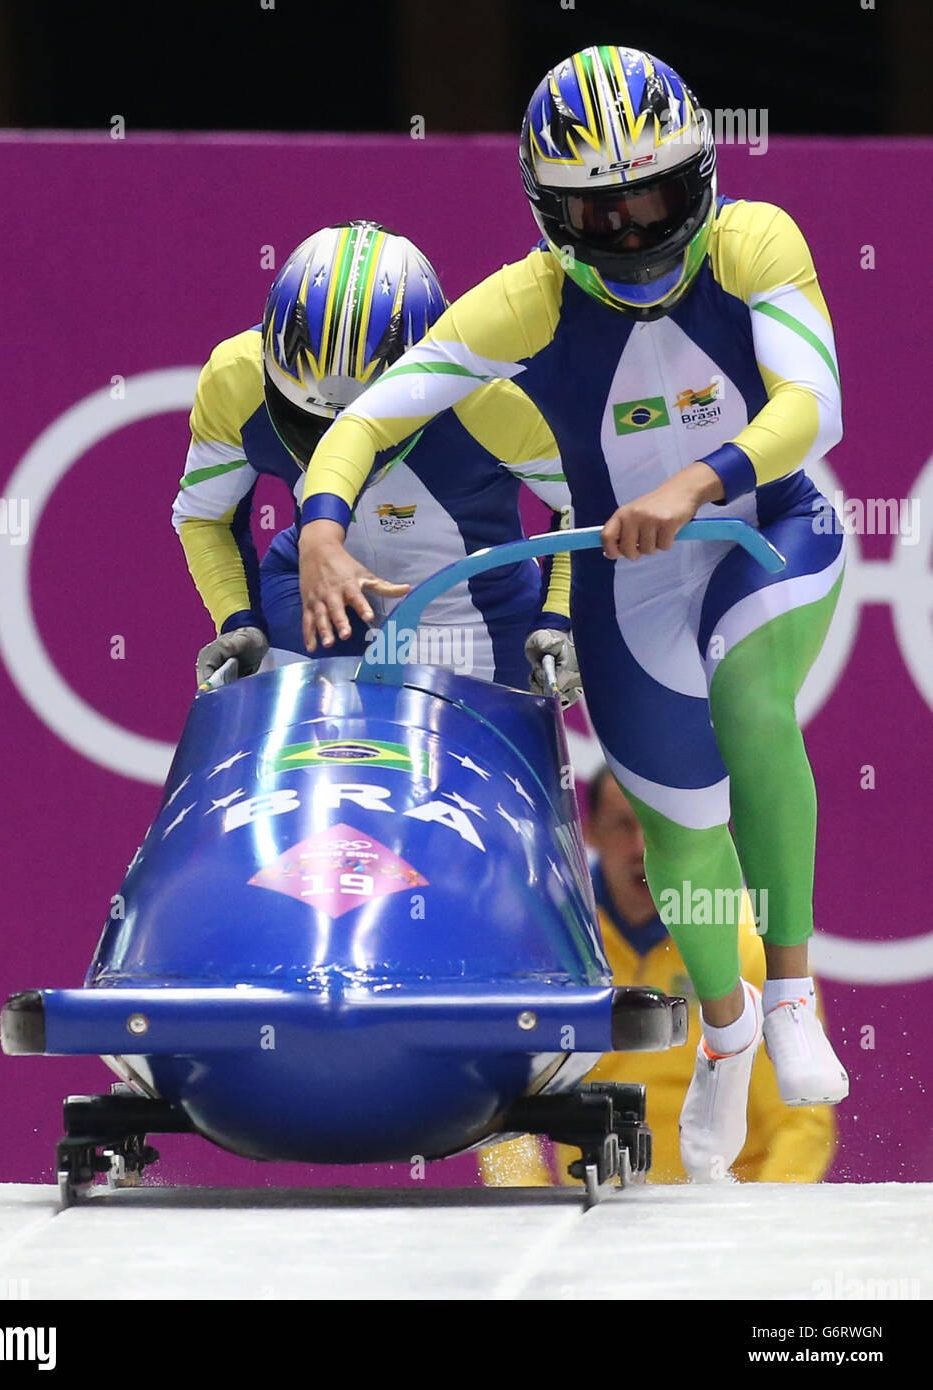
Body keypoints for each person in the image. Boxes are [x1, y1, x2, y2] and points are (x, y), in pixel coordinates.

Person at [295, 47, 850, 1181]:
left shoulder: (754, 242)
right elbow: (365, 418)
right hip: (629, 575)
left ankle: (791, 994)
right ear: (552, 215)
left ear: (700, 176)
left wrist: (694, 484)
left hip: (770, 531)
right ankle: (727, 1032)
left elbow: (815, 406)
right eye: (601, 211)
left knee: (751, 700)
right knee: (677, 828)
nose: (635, 226)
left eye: (654, 194)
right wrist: (318, 523)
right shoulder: (524, 301)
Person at [172, 220, 577, 694]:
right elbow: (205, 517)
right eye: (307, 418)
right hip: (315, 599)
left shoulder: (493, 392)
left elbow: (583, 504)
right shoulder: (235, 378)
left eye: (369, 422)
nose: (339, 444)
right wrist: (239, 620)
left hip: (480, 618)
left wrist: (559, 620)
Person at [479, 767, 836, 1186]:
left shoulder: (748, 939)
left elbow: (801, 1122)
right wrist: (533, 1206)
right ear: (589, 833)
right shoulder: (549, 943)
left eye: (655, 827)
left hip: (728, 1204)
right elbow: (505, 1108)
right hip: (592, 1206)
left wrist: (757, 1219)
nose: (640, 846)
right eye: (622, 825)